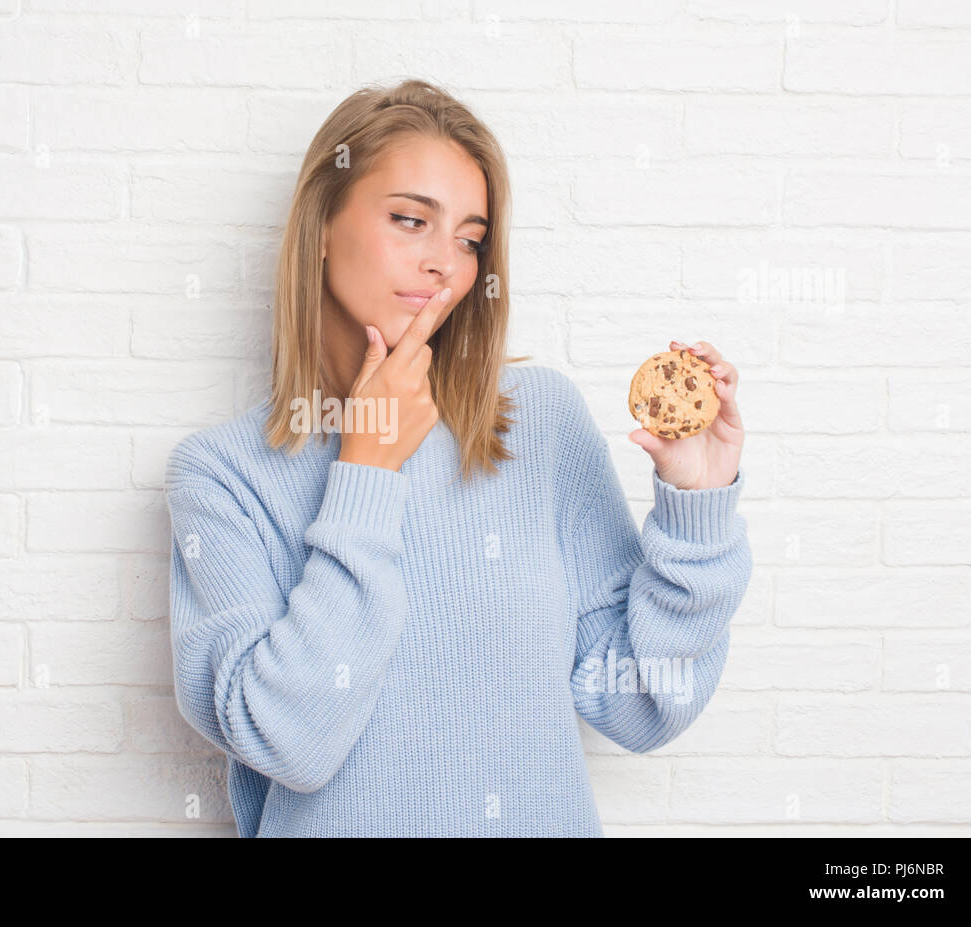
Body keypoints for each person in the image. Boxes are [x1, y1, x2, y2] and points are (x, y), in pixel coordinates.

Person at [164, 78, 751, 837]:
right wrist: (366, 472)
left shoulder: (537, 423)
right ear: (320, 226)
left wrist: (696, 514)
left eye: (470, 239)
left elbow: (640, 702)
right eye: (411, 220)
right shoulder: (222, 476)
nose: (446, 263)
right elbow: (289, 741)